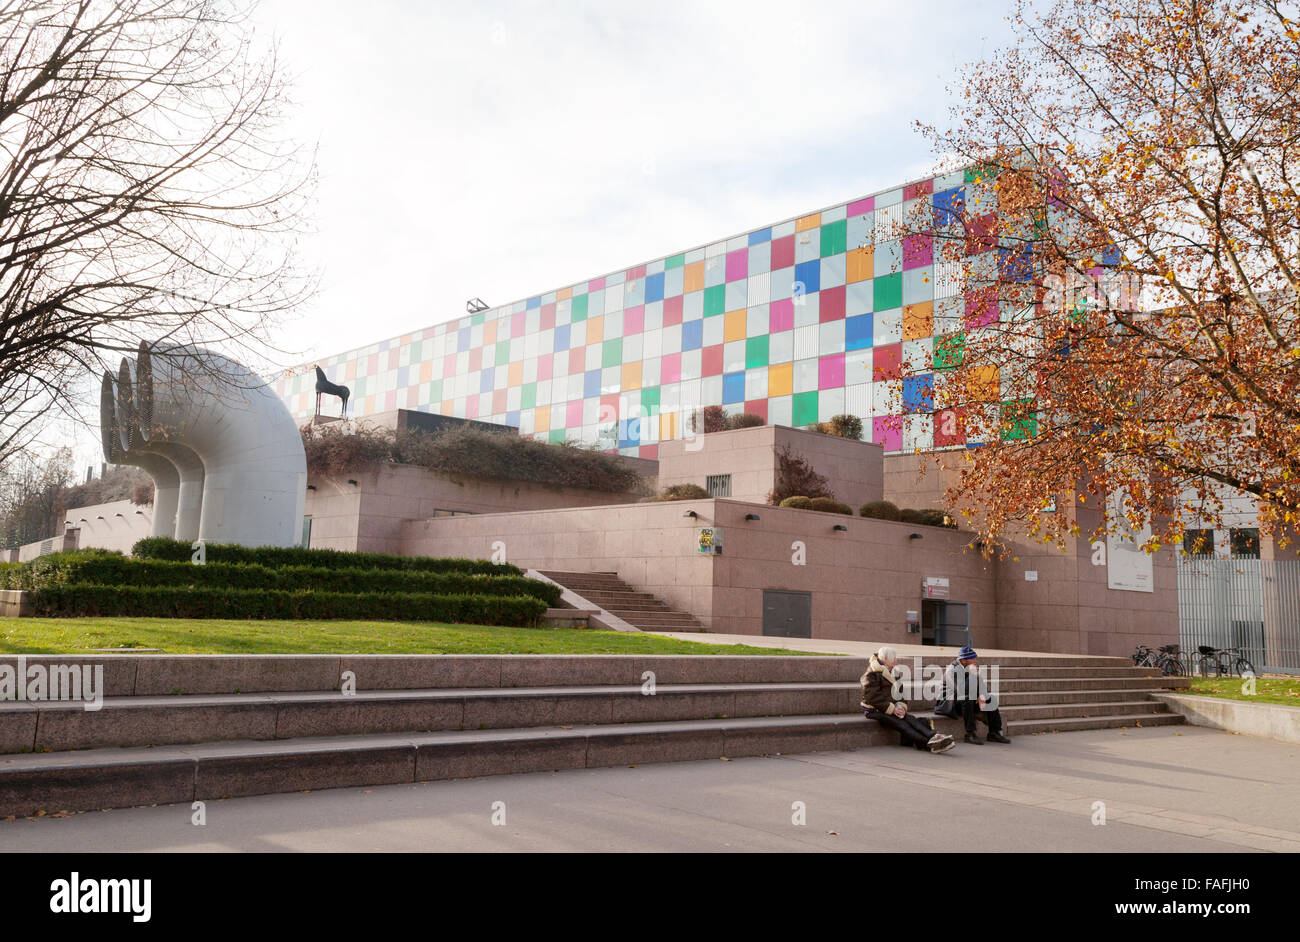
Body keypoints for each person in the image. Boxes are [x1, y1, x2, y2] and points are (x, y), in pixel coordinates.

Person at [860, 645, 956, 754]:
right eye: (893, 659)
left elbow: (901, 692)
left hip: (890, 708)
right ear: (885, 660)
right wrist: (892, 709)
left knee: (911, 719)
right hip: (874, 710)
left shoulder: (893, 671)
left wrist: (901, 706)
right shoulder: (871, 674)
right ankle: (928, 744)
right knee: (902, 725)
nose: (896, 662)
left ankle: (934, 736)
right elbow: (872, 697)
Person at [936, 646, 1010, 744]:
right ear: (964, 660)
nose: (975, 660)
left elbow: (983, 687)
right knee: (967, 698)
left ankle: (994, 732)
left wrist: (982, 695)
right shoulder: (952, 670)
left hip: (965, 700)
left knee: (991, 698)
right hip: (949, 703)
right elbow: (961, 690)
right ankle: (970, 734)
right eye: (973, 658)